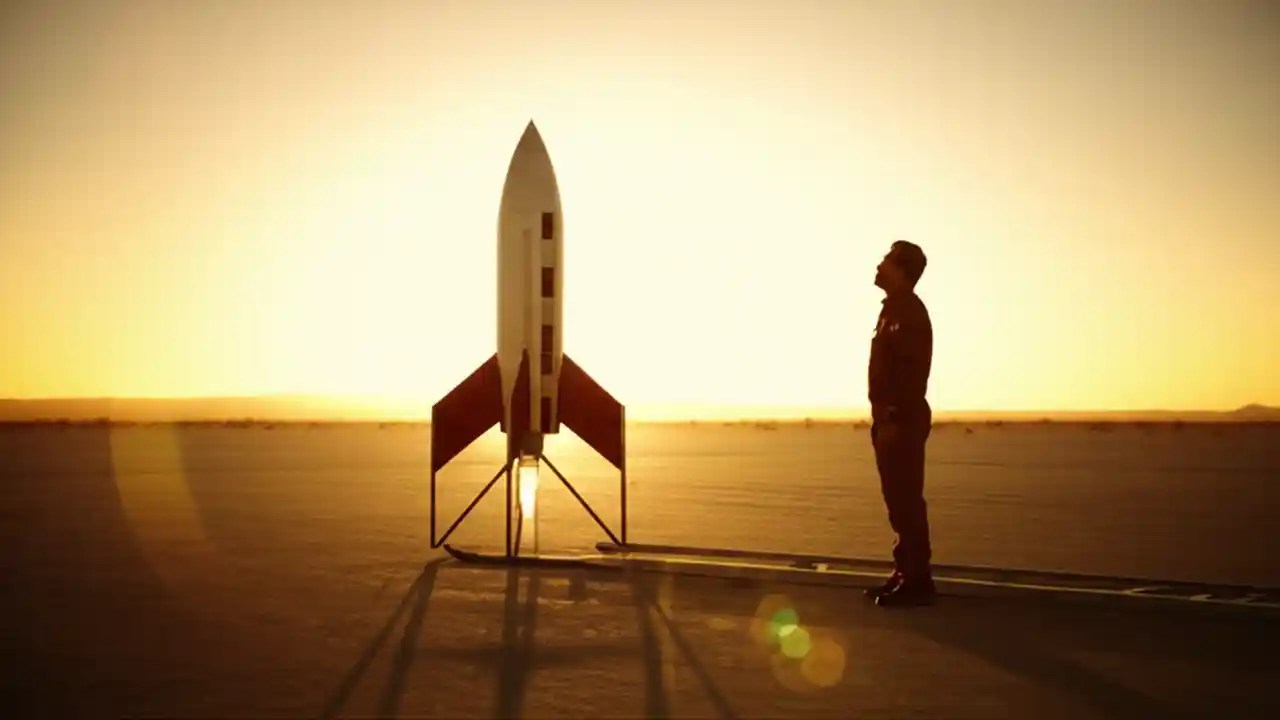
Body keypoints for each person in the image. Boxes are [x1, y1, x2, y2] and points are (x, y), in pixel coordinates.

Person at [864, 240, 935, 607]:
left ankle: (918, 579)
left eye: (886, 260)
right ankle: (905, 570)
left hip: (901, 420)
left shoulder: (908, 313)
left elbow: (911, 374)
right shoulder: (891, 310)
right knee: (897, 499)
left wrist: (892, 416)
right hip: (889, 419)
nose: (878, 265)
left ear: (903, 271)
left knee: (906, 498)